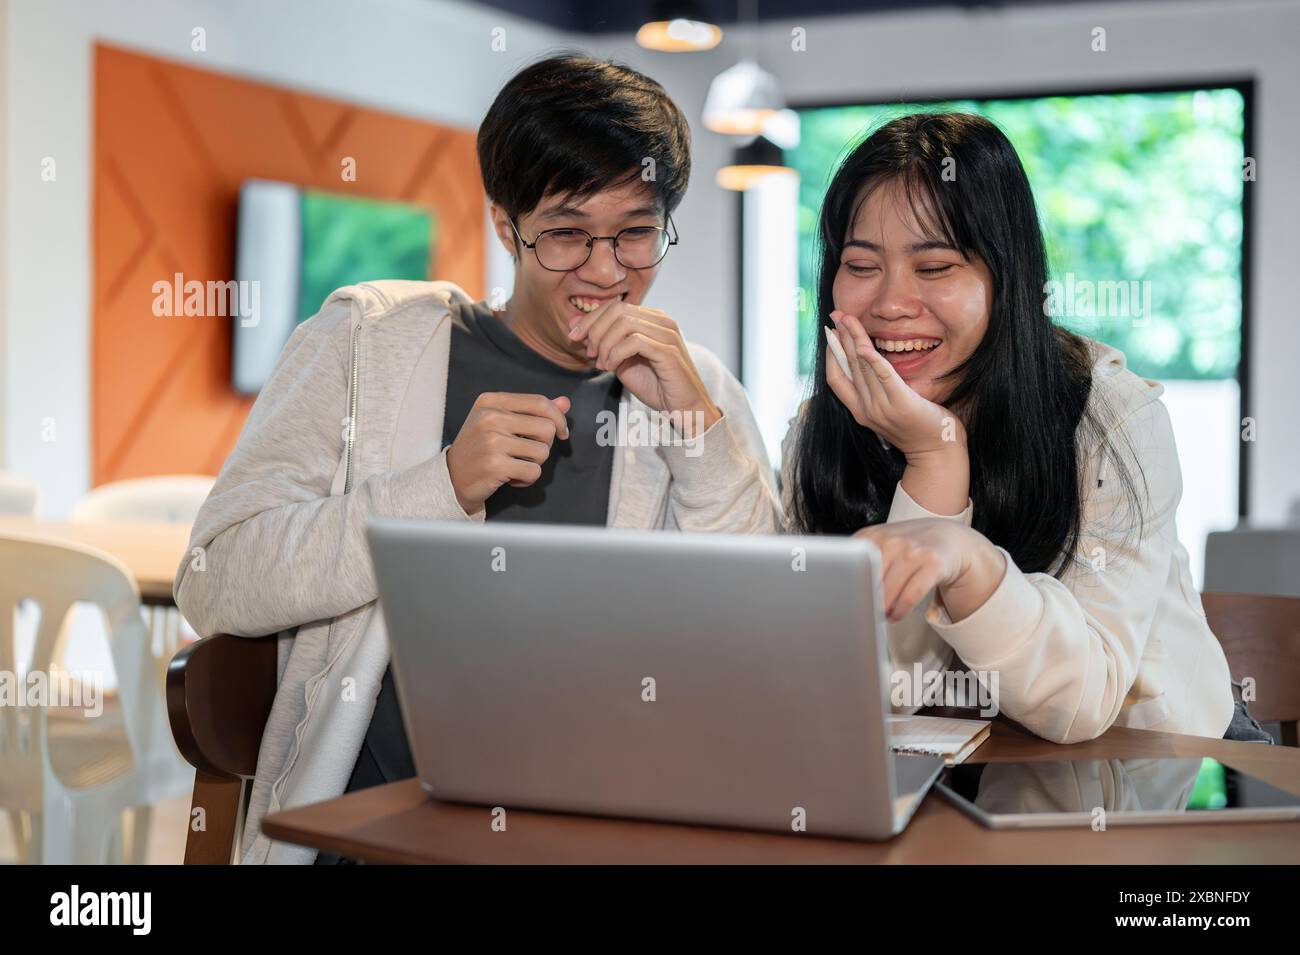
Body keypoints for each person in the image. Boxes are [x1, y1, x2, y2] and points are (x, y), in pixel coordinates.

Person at [174, 54, 780, 864]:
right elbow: (214, 579)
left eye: (636, 232)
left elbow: (761, 646)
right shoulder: (366, 341)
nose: (606, 272)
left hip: (604, 833)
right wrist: (442, 486)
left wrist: (698, 433)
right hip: (372, 841)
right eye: (567, 232)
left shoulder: (694, 386)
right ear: (506, 225)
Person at [782, 112, 1261, 745]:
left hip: (1145, 770)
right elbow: (879, 694)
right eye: (862, 266)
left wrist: (967, 560)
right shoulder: (825, 426)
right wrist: (935, 461)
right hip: (960, 774)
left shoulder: (1110, 417)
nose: (891, 303)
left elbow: (1082, 703)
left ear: (1007, 280)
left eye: (934, 268)